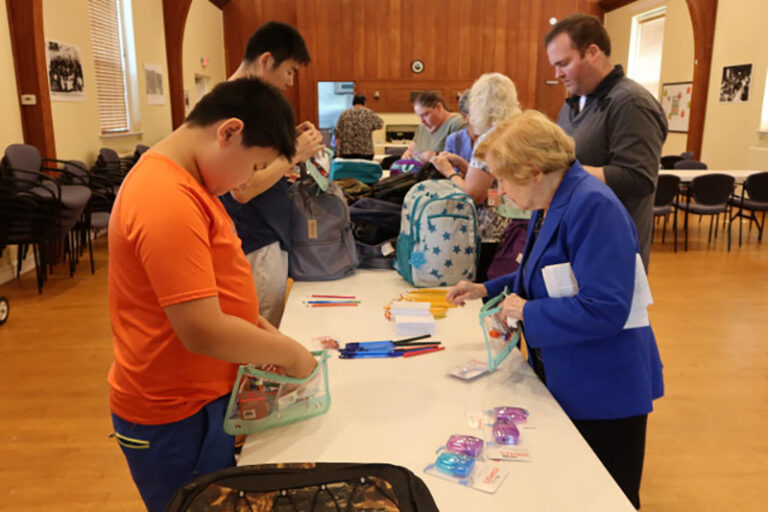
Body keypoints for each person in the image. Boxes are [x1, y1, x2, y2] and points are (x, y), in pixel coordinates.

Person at [108, 78, 319, 512]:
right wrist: (291, 355)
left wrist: (259, 335)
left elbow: (215, 292)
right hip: (174, 414)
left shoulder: (191, 183)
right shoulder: (165, 196)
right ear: (228, 132)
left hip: (199, 399)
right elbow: (201, 330)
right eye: (255, 165)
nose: (248, 179)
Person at [447, 111, 664, 510]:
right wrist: (486, 288)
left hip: (605, 385)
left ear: (532, 170)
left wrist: (527, 313)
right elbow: (539, 273)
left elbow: (606, 309)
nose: (500, 190)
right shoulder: (553, 199)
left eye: (503, 179)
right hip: (572, 371)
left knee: (606, 496)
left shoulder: (593, 206)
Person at [221, 21, 323, 328]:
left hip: (262, 232)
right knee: (263, 327)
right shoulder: (235, 107)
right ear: (266, 61)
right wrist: (295, 154)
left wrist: (290, 140)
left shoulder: (244, 102)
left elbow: (256, 159)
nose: (290, 81)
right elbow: (242, 187)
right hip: (256, 235)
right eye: (289, 70)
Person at [545, 13, 667, 269]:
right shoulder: (572, 104)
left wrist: (561, 173)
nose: (557, 74)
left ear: (592, 52)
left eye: (563, 63)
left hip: (612, 247)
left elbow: (638, 179)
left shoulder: (631, 103)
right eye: (554, 66)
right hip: (576, 238)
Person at [431, 73, 522, 281]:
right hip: (517, 225)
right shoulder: (518, 132)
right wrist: (465, 166)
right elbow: (494, 177)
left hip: (491, 231)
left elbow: (474, 195)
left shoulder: (489, 139)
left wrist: (449, 171)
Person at [400, 91, 466, 163]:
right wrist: (407, 154)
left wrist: (434, 157)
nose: (422, 121)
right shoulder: (422, 127)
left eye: (425, 115)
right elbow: (411, 149)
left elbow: (463, 159)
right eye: (419, 116)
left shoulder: (457, 124)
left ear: (439, 107)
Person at [333, 94, 384, 160]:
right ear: (364, 103)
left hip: (347, 152)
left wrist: (338, 151)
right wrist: (369, 128)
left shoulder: (344, 114)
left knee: (350, 170)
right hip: (366, 152)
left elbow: (338, 135)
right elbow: (381, 125)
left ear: (353, 102)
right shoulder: (369, 113)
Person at [439, 89, 475, 175]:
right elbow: (448, 174)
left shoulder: (496, 139)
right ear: (465, 116)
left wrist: (461, 164)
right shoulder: (454, 139)